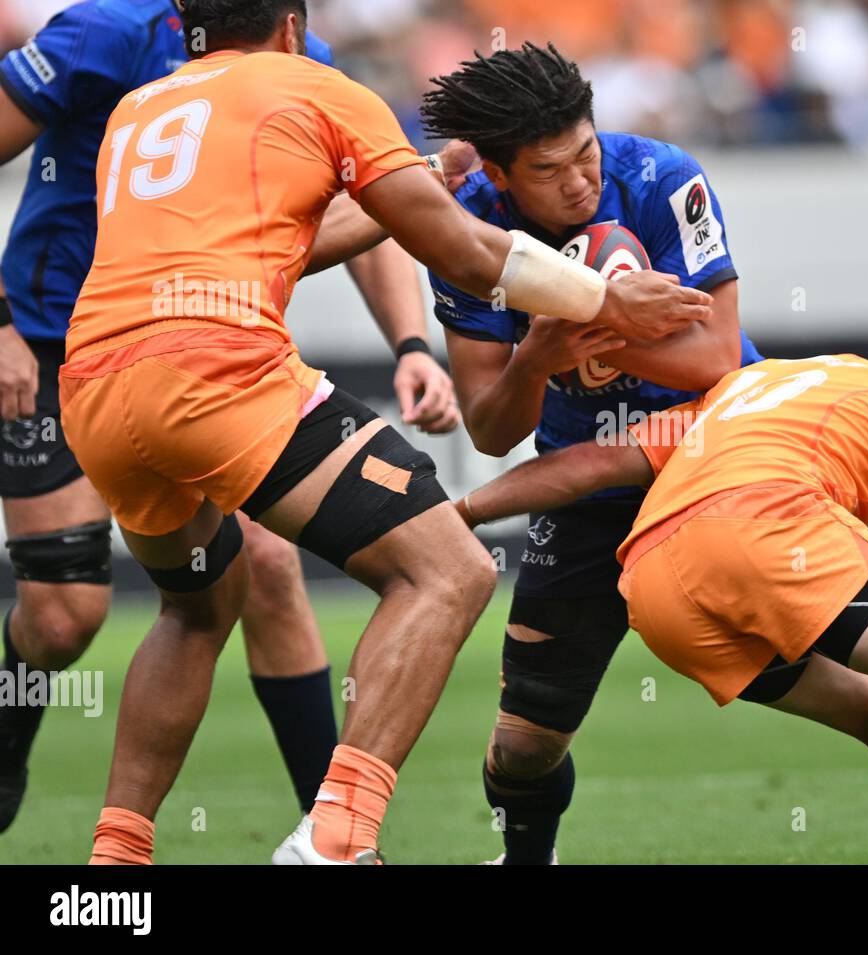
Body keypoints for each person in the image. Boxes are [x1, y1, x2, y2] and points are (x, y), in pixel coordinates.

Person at [60, 0, 709, 865]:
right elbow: (464, 252)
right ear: (292, 27)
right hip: (216, 371)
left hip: (97, 387)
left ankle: (113, 867)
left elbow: (288, 241)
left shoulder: (139, 111)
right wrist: (603, 296)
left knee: (197, 606)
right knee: (449, 569)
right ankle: (338, 837)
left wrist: (416, 187)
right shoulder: (320, 87)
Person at [0, 0, 458, 834]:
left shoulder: (277, 64)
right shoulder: (108, 32)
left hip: (158, 363)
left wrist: (409, 341)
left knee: (261, 576)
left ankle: (310, 833)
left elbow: (368, 206)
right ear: (286, 21)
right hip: (43, 341)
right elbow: (417, 220)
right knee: (64, 622)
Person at [457, 308, 868, 864]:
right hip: (769, 527)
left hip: (657, 585)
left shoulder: (754, 383)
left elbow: (593, 464)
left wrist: (461, 512)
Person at [421, 43, 763, 864]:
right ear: (500, 175)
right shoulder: (466, 229)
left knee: (866, 666)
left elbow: (717, 358)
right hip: (583, 486)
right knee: (523, 745)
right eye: (550, 169)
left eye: (586, 151)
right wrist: (543, 351)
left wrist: (596, 329)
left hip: (719, 455)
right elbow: (491, 428)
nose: (580, 179)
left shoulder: (661, 177)